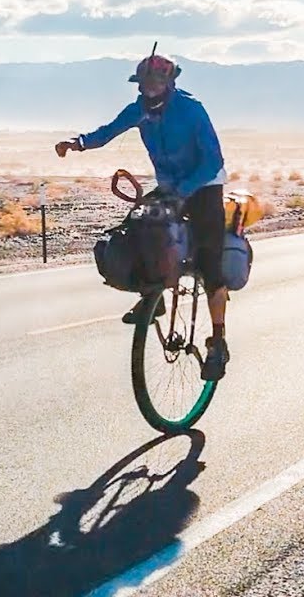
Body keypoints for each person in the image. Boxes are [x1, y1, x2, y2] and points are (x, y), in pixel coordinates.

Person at [53, 52, 232, 381]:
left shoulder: (191, 110)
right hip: (169, 186)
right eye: (145, 82)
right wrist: (77, 143)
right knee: (139, 227)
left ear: (170, 82)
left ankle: (218, 342)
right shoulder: (139, 110)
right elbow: (108, 131)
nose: (150, 88)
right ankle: (153, 297)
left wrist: (185, 190)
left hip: (204, 185)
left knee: (210, 263)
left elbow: (213, 159)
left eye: (157, 81)